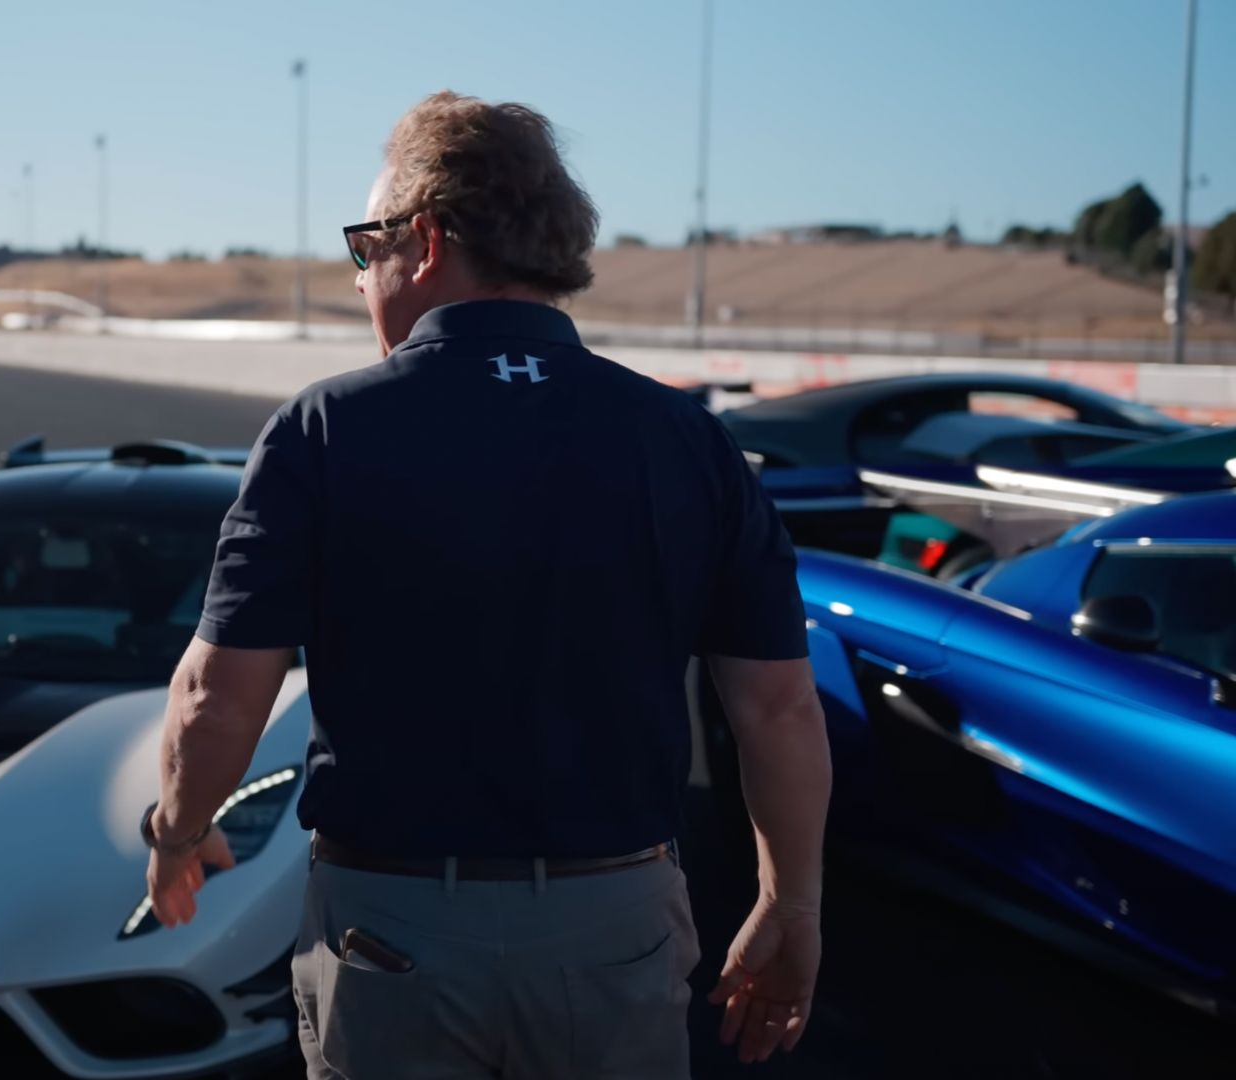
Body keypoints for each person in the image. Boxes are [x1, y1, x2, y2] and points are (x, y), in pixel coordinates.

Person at [140, 91, 831, 1077]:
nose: (361, 277)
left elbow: (216, 695)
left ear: (422, 240)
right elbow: (780, 709)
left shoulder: (326, 429)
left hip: (394, 936)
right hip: (617, 927)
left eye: (363, 246)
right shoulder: (689, 440)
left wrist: (177, 832)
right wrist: (788, 904)